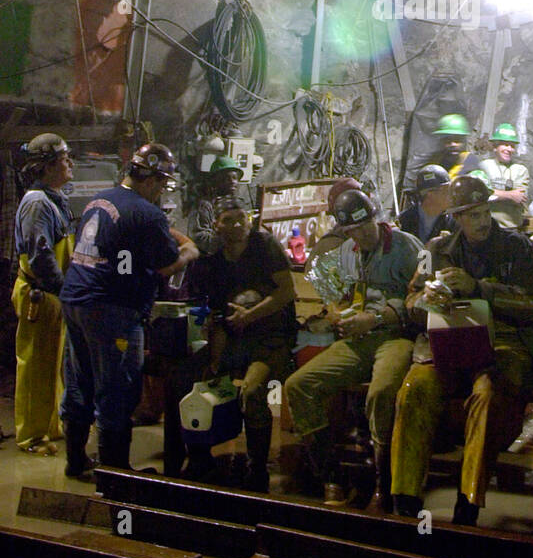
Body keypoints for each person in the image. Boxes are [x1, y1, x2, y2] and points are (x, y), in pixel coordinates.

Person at [391, 174, 533, 526]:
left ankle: (468, 501)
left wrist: (480, 289)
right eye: (472, 215)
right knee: (413, 389)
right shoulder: (434, 252)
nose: (483, 221)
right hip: (448, 341)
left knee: (488, 394)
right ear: (456, 218)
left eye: (485, 211)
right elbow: (410, 299)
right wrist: (427, 300)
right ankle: (404, 500)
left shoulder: (516, 247)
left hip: (503, 343)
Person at [59, 143, 198, 474]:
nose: (162, 191)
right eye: (162, 184)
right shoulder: (147, 213)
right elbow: (166, 265)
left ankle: (76, 461)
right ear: (150, 180)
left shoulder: (100, 201)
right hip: (112, 310)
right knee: (118, 389)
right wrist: (190, 250)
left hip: (76, 299)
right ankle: (116, 473)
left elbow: (132, 233)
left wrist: (165, 229)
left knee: (81, 383)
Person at [284, 188, 421, 511]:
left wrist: (374, 318)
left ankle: (384, 483)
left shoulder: (406, 246)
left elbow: (422, 299)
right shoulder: (346, 251)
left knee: (382, 392)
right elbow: (330, 291)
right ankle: (331, 476)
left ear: (376, 218)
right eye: (352, 231)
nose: (361, 235)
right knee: (298, 385)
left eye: (364, 227)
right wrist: (335, 312)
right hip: (356, 340)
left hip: (396, 336)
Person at [184, 202, 296, 492]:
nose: (236, 225)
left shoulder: (264, 246)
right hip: (235, 341)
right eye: (228, 220)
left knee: (254, 390)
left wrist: (250, 315)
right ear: (217, 227)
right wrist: (216, 363)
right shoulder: (216, 263)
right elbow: (220, 319)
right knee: (194, 381)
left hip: (271, 339)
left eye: (241, 219)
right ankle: (200, 461)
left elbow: (286, 291)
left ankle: (257, 468)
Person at [11, 134, 75, 457]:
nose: (70, 164)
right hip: (41, 293)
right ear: (48, 167)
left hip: (52, 293)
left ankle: (50, 425)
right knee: (35, 366)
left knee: (52, 364)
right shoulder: (37, 202)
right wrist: (66, 293)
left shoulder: (54, 197)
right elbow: (41, 256)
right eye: (65, 160)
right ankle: (31, 437)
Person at [191, 155, 250, 255]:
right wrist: (229, 241)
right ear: (215, 181)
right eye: (226, 178)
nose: (232, 182)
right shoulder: (206, 205)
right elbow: (200, 237)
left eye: (235, 178)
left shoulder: (240, 205)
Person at [478, 123, 530, 229]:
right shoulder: (484, 166)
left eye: (512, 146)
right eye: (505, 144)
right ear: (495, 147)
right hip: (487, 228)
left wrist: (491, 193)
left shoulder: (520, 170)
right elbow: (479, 195)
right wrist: (509, 195)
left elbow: (519, 197)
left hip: (512, 228)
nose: (509, 149)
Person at [397, 165, 454, 243]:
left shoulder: (453, 221)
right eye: (446, 190)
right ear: (430, 194)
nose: (451, 194)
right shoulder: (405, 221)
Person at [427, 114, 487, 180]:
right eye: (448, 140)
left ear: (464, 141)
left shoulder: (471, 162)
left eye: (457, 140)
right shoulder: (437, 161)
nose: (453, 144)